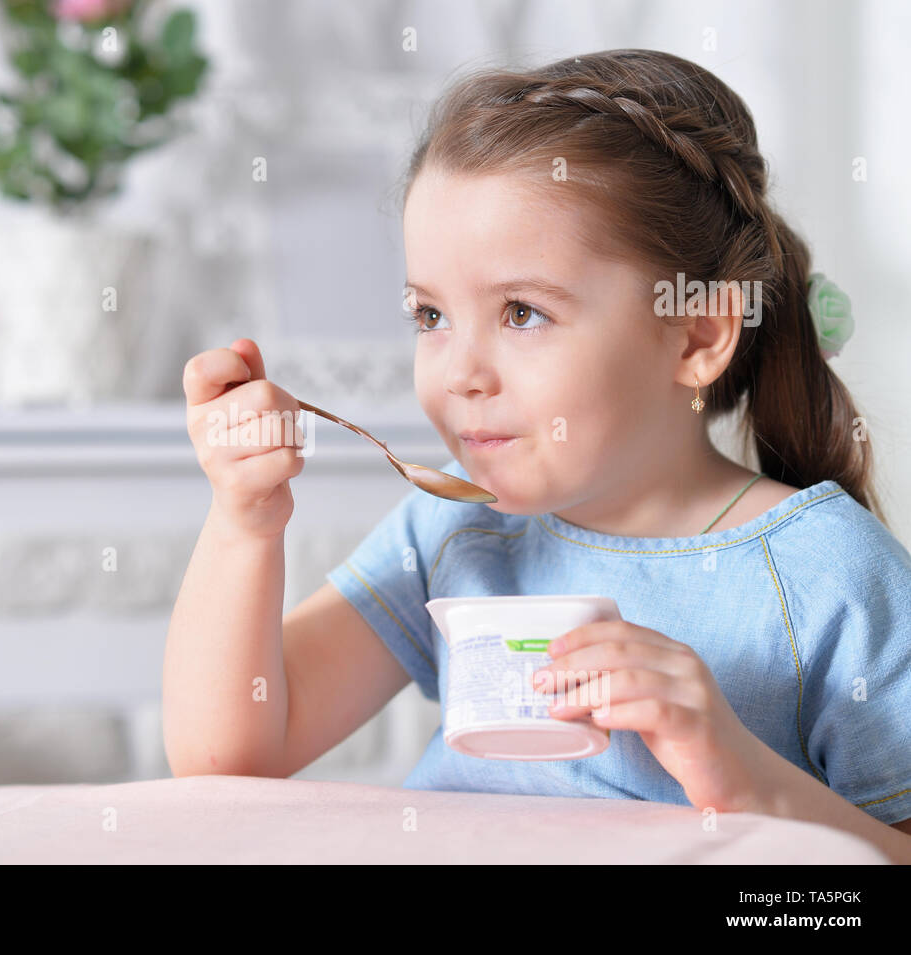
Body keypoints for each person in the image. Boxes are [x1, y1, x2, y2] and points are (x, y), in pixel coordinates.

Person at [164, 49, 911, 862]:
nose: (459, 374)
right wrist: (244, 523)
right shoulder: (449, 532)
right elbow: (225, 758)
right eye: (430, 316)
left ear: (697, 334)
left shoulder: (831, 575)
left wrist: (743, 778)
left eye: (521, 312)